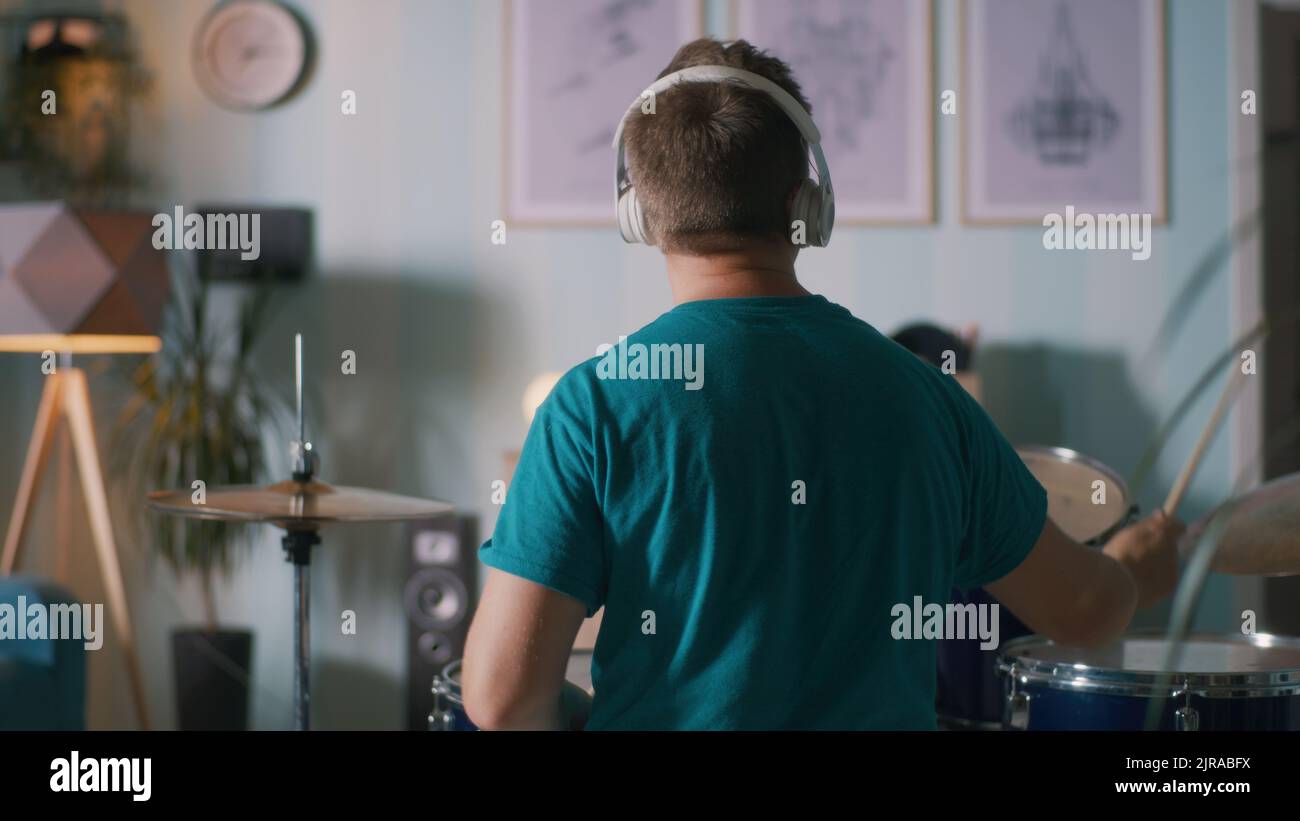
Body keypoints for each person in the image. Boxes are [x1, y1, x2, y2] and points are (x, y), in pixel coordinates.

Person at [462, 38, 1182, 731]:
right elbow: (1084, 610)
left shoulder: (591, 407)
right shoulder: (930, 398)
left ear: (641, 213)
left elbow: (500, 701)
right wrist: (1130, 574)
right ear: (807, 203)